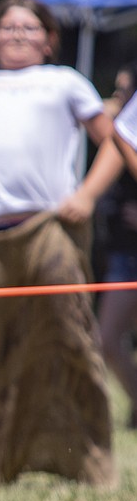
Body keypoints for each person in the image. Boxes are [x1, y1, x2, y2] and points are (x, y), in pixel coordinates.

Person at [0, 0, 120, 486]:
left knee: (71, 340)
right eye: (8, 28)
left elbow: (115, 143)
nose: (18, 35)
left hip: (51, 230)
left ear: (50, 40)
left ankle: (91, 465)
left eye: (29, 28)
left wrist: (88, 194)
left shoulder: (64, 82)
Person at [97, 61, 137, 430]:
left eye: (124, 90)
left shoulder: (122, 134)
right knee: (107, 339)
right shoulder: (117, 136)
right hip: (124, 254)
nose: (117, 96)